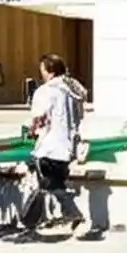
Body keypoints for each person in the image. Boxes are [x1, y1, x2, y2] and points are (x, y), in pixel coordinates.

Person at [21, 53, 90, 236]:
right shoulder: (73, 90)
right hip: (67, 146)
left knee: (50, 184)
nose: (41, 73)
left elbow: (38, 118)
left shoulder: (45, 91)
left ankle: (70, 213)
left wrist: (31, 130)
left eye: (42, 70)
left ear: (49, 71)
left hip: (49, 145)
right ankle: (60, 217)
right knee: (53, 182)